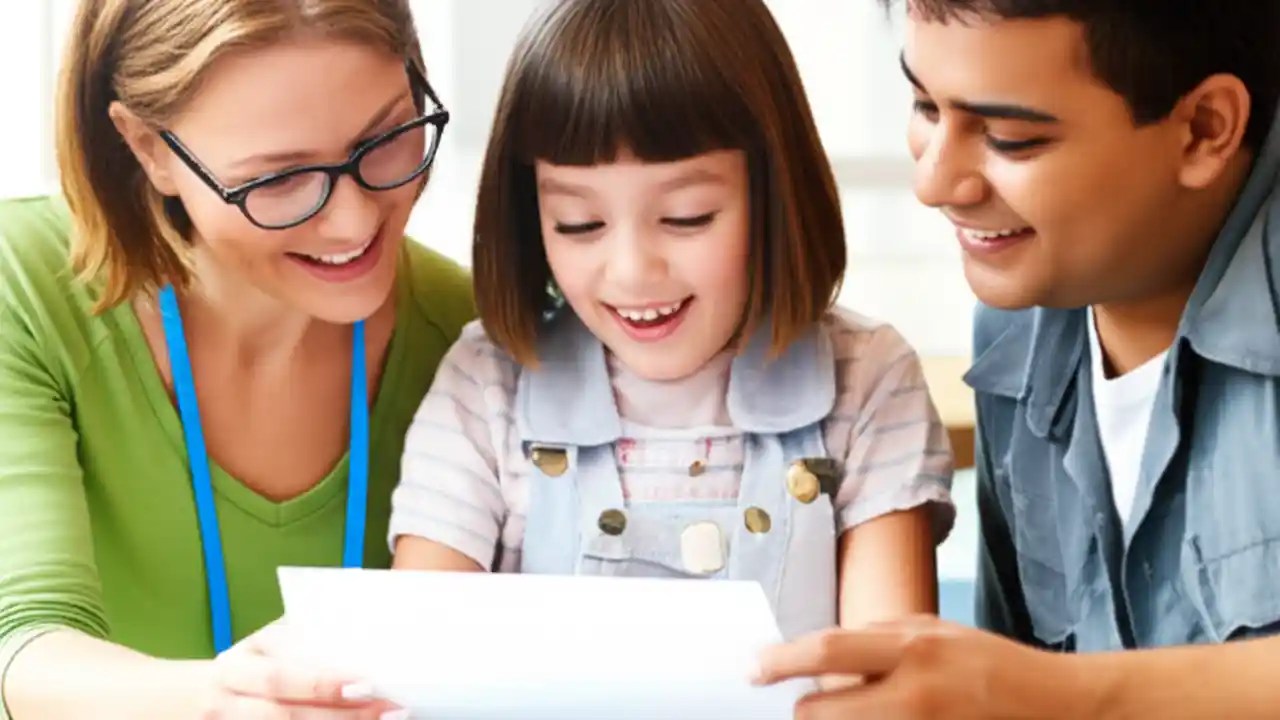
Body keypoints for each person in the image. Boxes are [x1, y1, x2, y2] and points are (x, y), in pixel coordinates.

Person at [753, 0, 1280, 717]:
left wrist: (1052, 695)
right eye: (924, 106)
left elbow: (1018, 686)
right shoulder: (1019, 325)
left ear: (1204, 129)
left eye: (1009, 138)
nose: (935, 184)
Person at [388, 0, 955, 644]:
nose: (631, 272)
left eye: (687, 216)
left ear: (772, 192)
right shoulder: (486, 384)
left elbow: (890, 682)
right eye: (579, 224)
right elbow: (420, 655)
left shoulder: (869, 381)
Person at [0, 1, 475, 718]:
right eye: (278, 179)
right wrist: (216, 701)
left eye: (386, 139)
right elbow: (21, 640)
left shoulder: (475, 339)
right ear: (148, 148)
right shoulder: (24, 286)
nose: (353, 220)